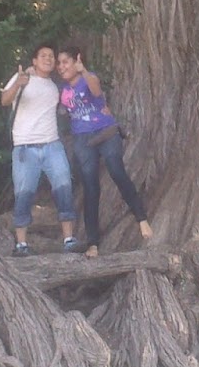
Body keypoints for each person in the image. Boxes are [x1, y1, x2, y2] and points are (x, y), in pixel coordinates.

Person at [56, 45, 152, 257]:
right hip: (83, 140)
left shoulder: (88, 78)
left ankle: (141, 218)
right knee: (90, 187)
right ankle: (93, 243)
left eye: (65, 62)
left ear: (76, 61)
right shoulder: (63, 92)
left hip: (106, 132)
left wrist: (84, 71)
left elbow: (97, 90)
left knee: (117, 171)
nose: (61, 66)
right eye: (59, 63)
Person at [0, 42, 79, 255]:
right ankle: (21, 243)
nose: (49, 59)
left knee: (64, 188)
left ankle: (69, 239)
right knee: (24, 194)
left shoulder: (54, 86)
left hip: (52, 145)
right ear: (34, 61)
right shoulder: (22, 79)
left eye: (51, 56)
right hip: (26, 148)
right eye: (43, 55)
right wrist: (18, 83)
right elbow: (5, 100)